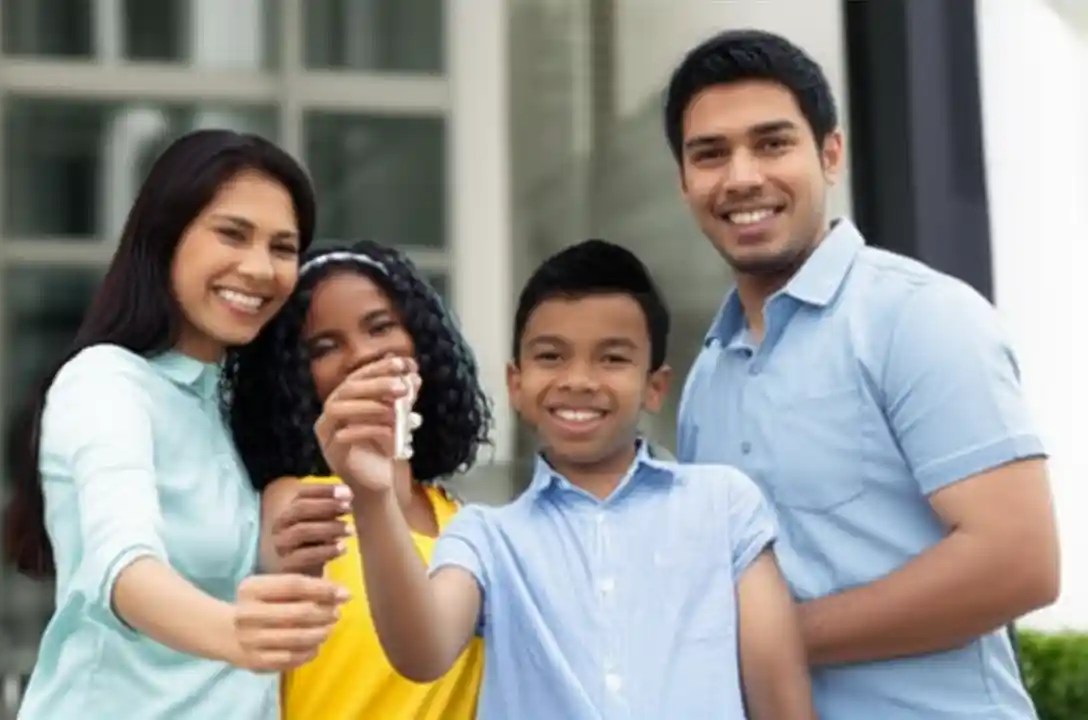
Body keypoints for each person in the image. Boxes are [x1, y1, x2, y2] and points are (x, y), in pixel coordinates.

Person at [666, 29, 1060, 719]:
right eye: (710, 154)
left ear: (831, 154)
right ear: (685, 182)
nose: (742, 177)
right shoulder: (709, 375)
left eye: (772, 143)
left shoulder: (917, 318)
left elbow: (1019, 561)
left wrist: (776, 638)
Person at [313, 239, 816, 719]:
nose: (578, 380)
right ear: (516, 383)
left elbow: (780, 697)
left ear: (655, 387)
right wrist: (372, 498)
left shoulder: (724, 505)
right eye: (551, 356)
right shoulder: (485, 537)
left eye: (613, 358)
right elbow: (421, 654)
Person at [2, 130, 347, 720]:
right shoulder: (107, 383)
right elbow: (125, 569)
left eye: (283, 247)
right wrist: (240, 632)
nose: (259, 268)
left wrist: (290, 554)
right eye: (232, 234)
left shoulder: (230, 408)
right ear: (166, 237)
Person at [230, 240, 491, 719]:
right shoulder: (296, 499)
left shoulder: (463, 520)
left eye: (380, 327)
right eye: (324, 348)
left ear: (420, 342)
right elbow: (284, 568)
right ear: (295, 378)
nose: (362, 354)